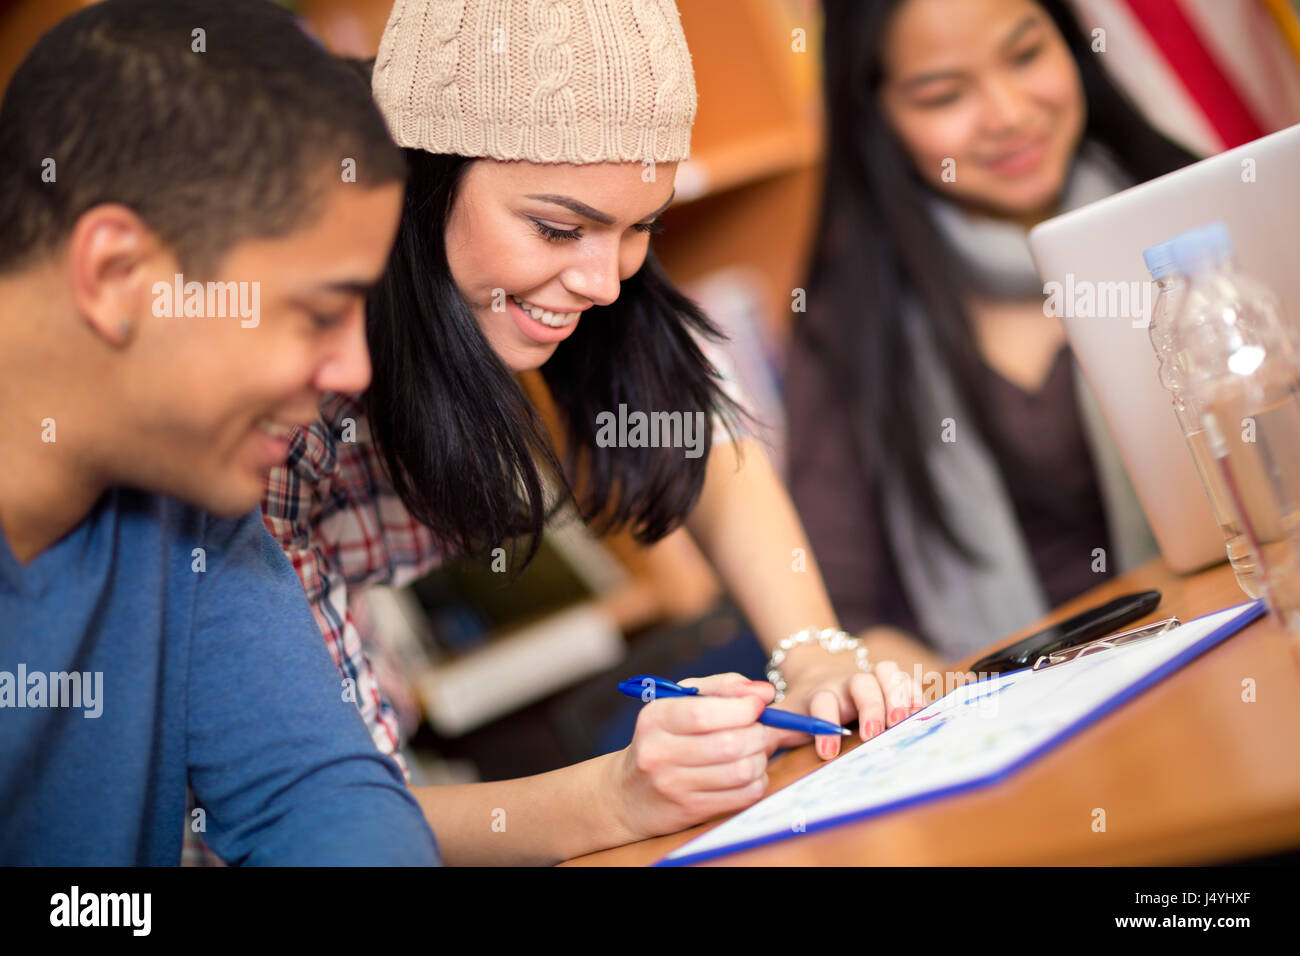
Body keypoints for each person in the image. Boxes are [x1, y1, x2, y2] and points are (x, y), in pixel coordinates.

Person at [256, 0, 921, 866]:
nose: (605, 281)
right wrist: (616, 798)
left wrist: (815, 654)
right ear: (419, 179)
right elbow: (317, 823)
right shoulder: (282, 395)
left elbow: (695, 436)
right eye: (558, 228)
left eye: (639, 226)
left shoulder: (569, 255)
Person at [0, 0, 437, 865]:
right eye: (320, 312)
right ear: (120, 276)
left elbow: (317, 797)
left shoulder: (187, 502)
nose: (356, 369)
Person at [785, 0, 1198, 671]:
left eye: (1026, 55)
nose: (1007, 115)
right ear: (878, 118)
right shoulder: (849, 319)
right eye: (943, 94)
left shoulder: (1190, 208)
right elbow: (842, 617)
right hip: (1010, 707)